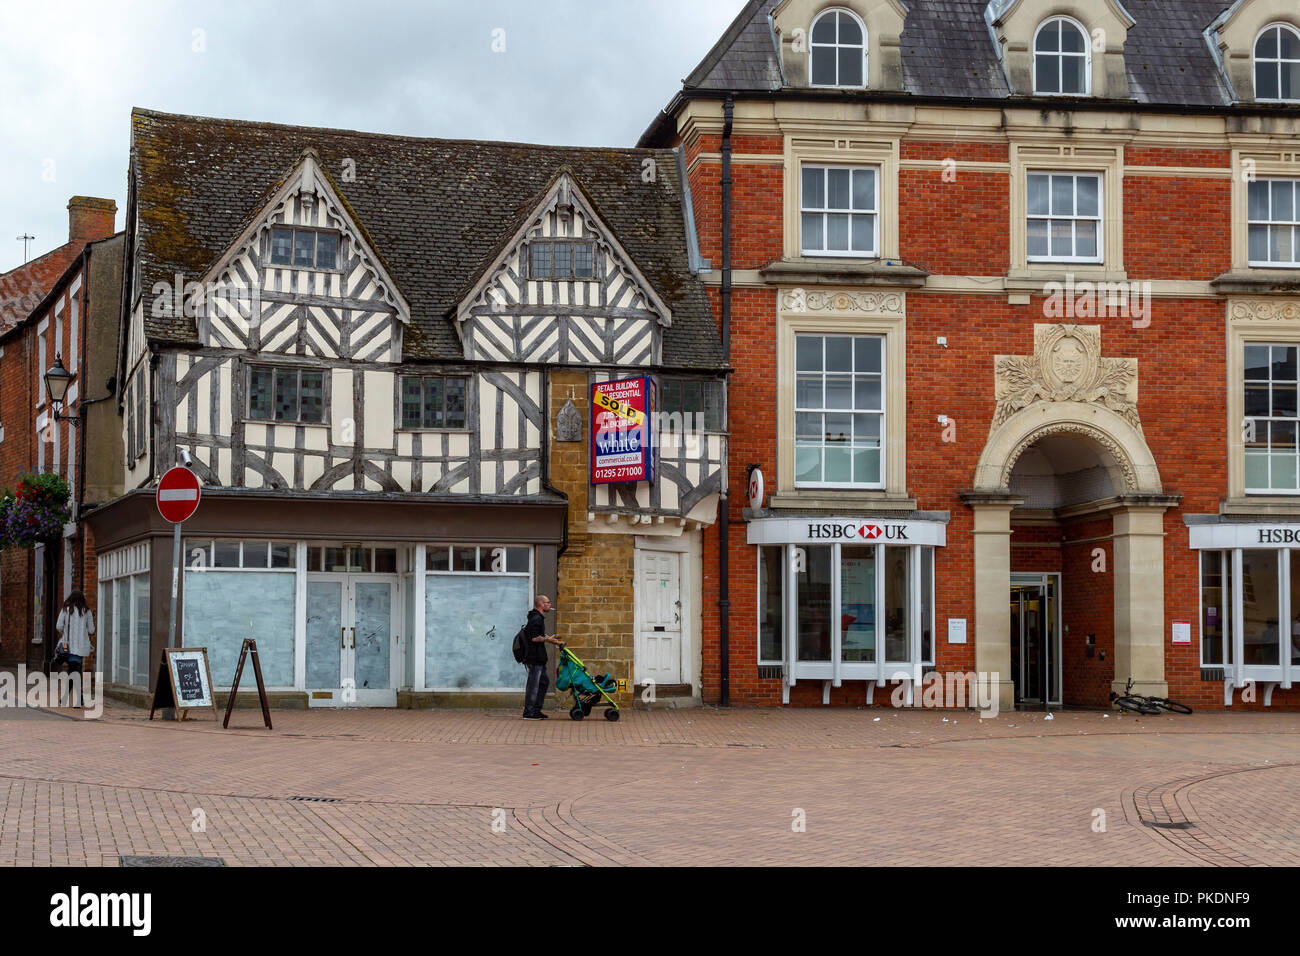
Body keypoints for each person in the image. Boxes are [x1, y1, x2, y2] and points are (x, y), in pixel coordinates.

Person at [522, 594, 562, 719]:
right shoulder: (536, 619)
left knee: (543, 683)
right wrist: (548, 640)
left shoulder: (538, 618)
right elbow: (534, 638)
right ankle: (529, 712)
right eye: (548, 602)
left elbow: (539, 634)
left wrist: (554, 641)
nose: (550, 605)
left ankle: (536, 710)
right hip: (534, 658)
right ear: (541, 604)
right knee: (534, 686)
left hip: (539, 658)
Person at [55, 589, 95, 708]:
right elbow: (92, 630)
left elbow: (58, 626)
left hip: (68, 646)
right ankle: (78, 699)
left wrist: (66, 633)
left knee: (73, 672)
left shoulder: (66, 610)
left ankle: (68, 698)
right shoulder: (86, 611)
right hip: (80, 648)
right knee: (75, 672)